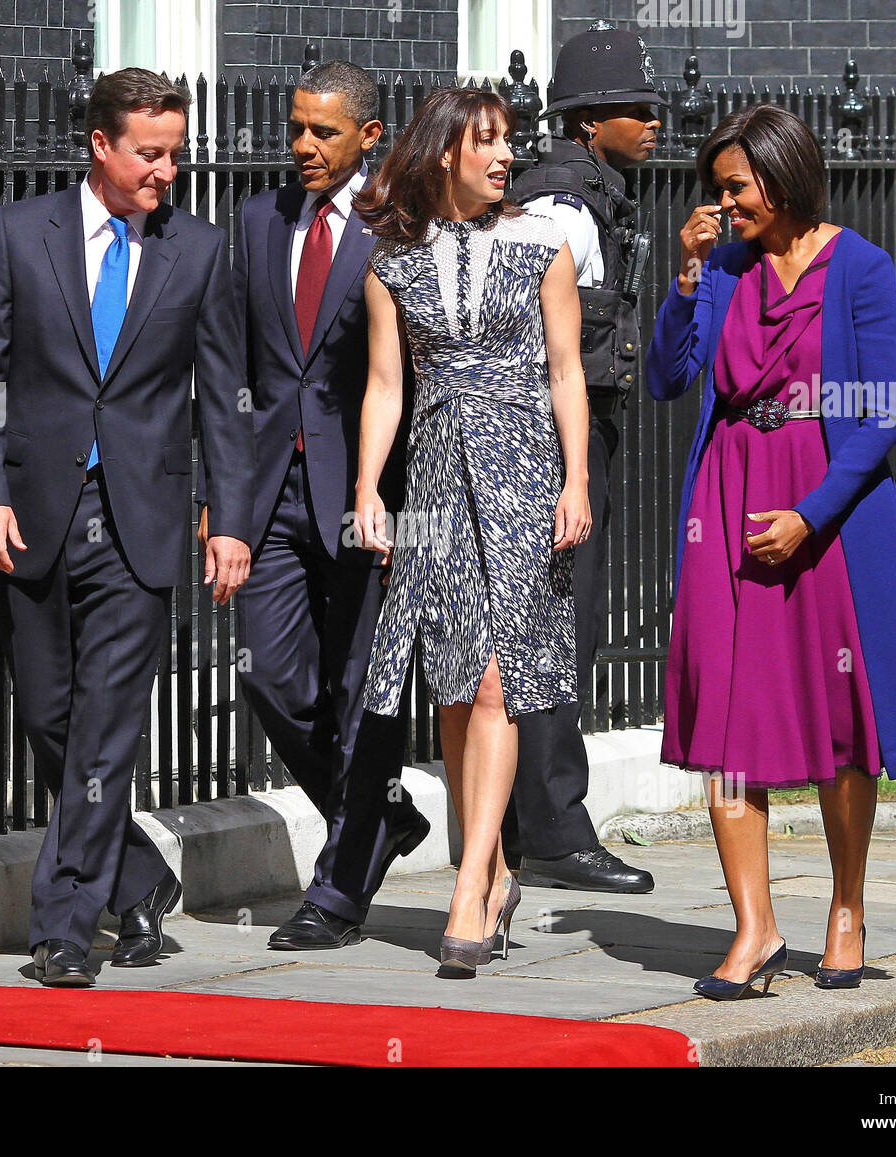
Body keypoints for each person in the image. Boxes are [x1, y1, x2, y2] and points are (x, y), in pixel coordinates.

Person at [0, 68, 255, 987]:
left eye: (175, 152)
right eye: (150, 153)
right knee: (50, 715)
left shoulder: (199, 251)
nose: (168, 170)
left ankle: (65, 926)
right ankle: (139, 875)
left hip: (143, 519)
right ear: (100, 145)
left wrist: (230, 520)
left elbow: (226, 400)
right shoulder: (17, 233)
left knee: (106, 729)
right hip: (35, 512)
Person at [646, 104, 896, 999]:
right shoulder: (727, 268)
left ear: (781, 175)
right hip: (729, 503)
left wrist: (811, 515)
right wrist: (687, 277)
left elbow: (881, 411)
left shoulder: (860, 267)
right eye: (719, 189)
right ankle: (755, 928)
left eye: (735, 187)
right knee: (726, 721)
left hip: (828, 512)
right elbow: (667, 376)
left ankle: (846, 909)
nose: (725, 202)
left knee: (841, 713)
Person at [353, 87, 591, 978]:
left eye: (509, 143)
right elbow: (386, 386)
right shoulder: (392, 261)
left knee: (495, 684)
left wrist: (576, 478)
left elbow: (567, 371)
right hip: (438, 477)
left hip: (525, 472)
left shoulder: (543, 246)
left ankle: (468, 888)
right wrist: (368, 485)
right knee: (454, 687)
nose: (504, 157)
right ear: (445, 151)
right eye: (486, 142)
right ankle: (490, 867)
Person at [215, 60, 430, 952]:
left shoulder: (401, 230)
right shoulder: (260, 220)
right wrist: (221, 503)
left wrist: (395, 496)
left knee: (358, 690)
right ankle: (377, 815)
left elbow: (413, 376)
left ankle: (339, 887)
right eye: (296, 127)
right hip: (268, 493)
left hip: (367, 496)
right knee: (266, 672)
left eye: (323, 132)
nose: (302, 146)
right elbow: (226, 363)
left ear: (369, 137)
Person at [505, 22, 661, 894]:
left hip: (574, 435)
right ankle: (557, 832)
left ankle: (538, 824)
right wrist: (570, 469)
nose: (653, 122)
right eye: (636, 108)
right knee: (561, 630)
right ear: (587, 118)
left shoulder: (593, 192)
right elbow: (544, 346)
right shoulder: (565, 205)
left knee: (558, 628)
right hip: (558, 439)